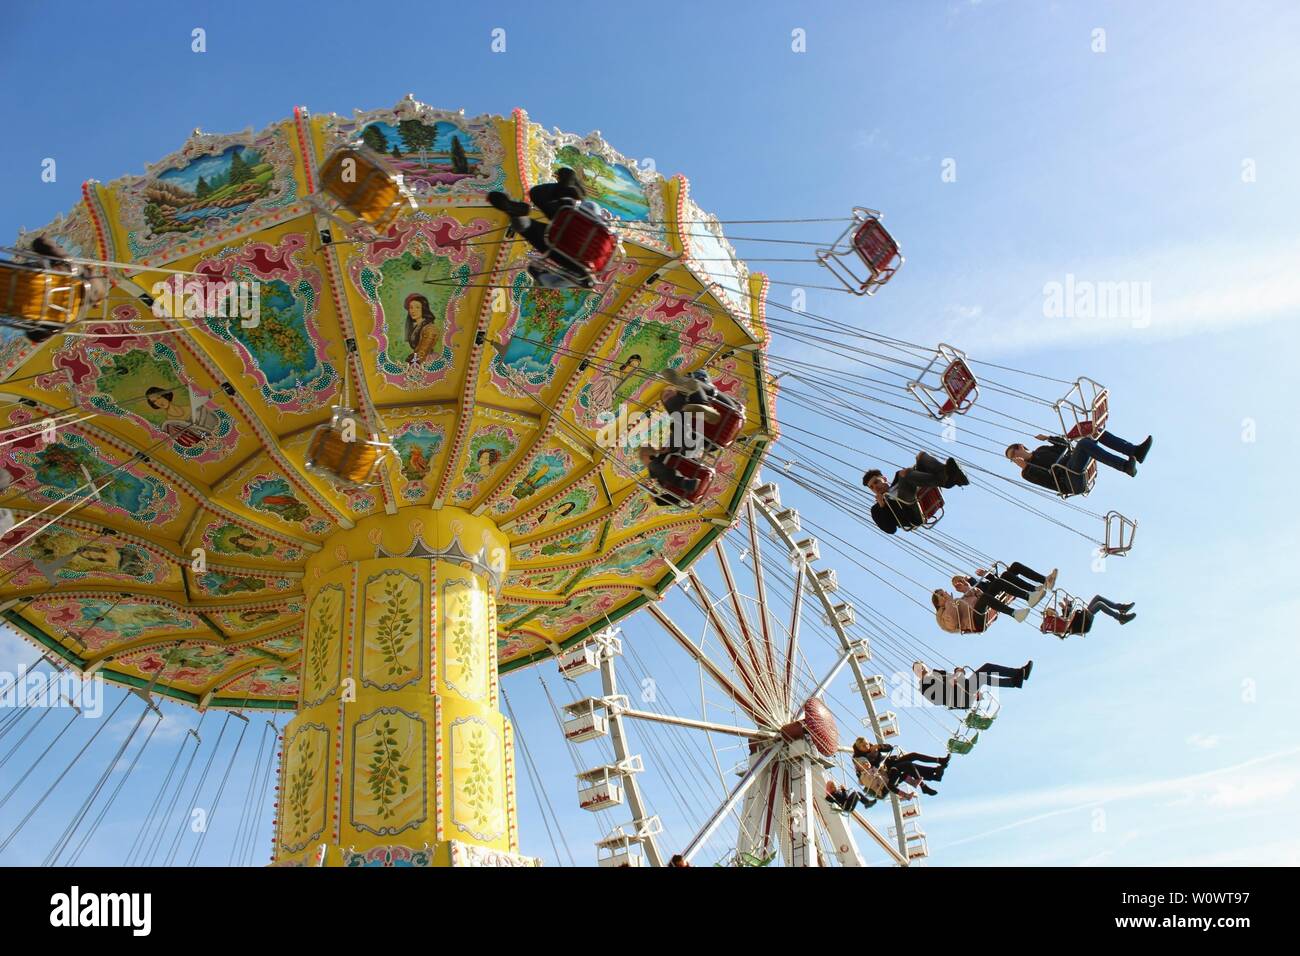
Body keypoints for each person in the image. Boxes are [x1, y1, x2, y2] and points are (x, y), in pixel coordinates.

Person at [488, 168, 608, 286]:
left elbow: (594, 210)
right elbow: (551, 281)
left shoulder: (611, 242)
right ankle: (517, 214)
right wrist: (537, 274)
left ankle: (566, 193)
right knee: (529, 229)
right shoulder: (589, 276)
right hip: (565, 245)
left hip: (580, 223)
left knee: (537, 195)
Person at [1006, 431, 1153, 496]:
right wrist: (1026, 468)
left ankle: (1134, 451)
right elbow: (1047, 481)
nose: (1014, 458)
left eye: (1013, 454)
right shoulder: (1026, 473)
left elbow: (1063, 445)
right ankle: (1125, 467)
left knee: (1094, 432)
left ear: (1020, 447)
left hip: (1072, 465)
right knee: (1083, 444)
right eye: (1011, 459)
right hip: (1068, 480)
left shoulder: (1041, 449)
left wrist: (1048, 438)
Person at [863, 451, 969, 534]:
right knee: (904, 474)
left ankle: (950, 475)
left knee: (921, 456)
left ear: (884, 479)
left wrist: (912, 470)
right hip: (910, 512)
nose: (875, 487)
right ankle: (946, 480)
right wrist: (882, 506)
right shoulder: (876, 509)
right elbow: (890, 529)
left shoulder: (897, 481)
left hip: (916, 492)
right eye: (871, 487)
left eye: (876, 482)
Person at [913, 660, 1032, 710]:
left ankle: (1014, 680)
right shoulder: (924, 686)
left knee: (983, 676)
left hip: (963, 692)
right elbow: (937, 700)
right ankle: (1018, 674)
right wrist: (957, 675)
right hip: (959, 698)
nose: (921, 669)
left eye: (922, 666)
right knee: (986, 669)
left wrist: (958, 674)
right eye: (918, 669)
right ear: (917, 674)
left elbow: (955, 679)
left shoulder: (936, 673)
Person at [1040, 595, 1136, 637]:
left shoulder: (1060, 616)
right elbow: (1061, 632)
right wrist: (1045, 630)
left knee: (1097, 597)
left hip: (1080, 617)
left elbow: (1067, 614)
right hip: (1080, 624)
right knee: (1099, 605)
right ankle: (1120, 618)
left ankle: (1121, 607)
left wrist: (1066, 606)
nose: (1052, 611)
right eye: (1050, 612)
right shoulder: (1053, 623)